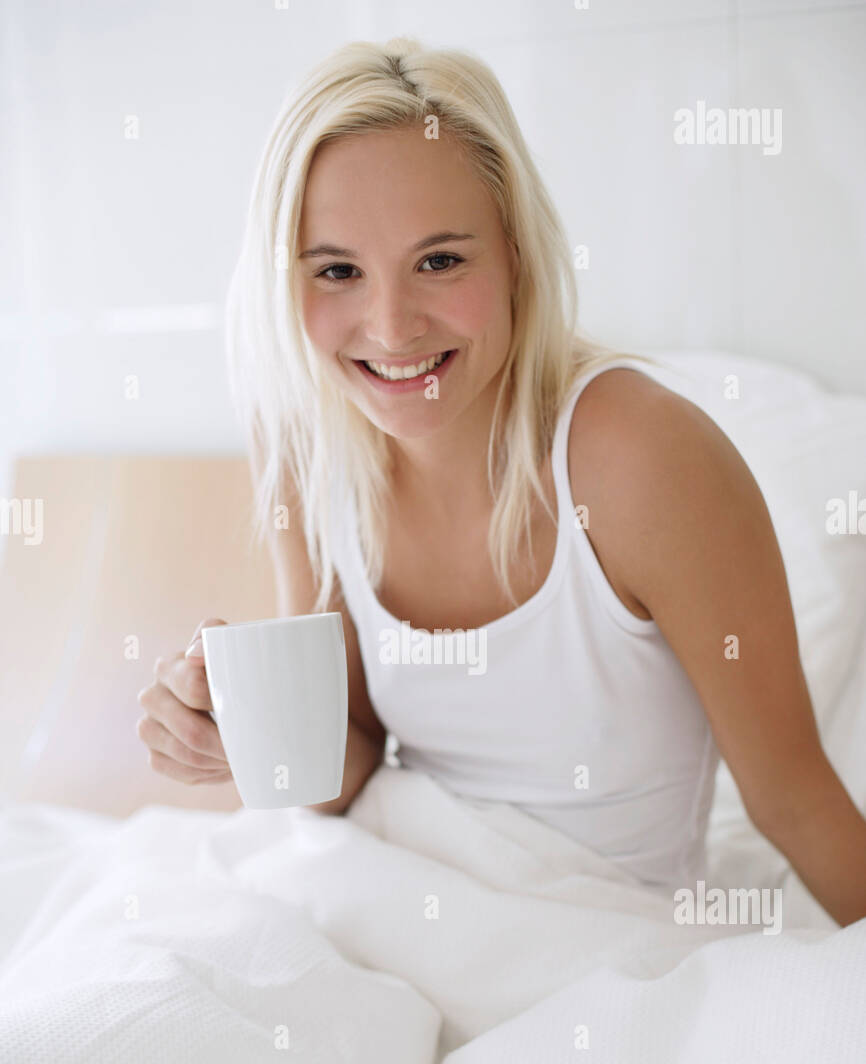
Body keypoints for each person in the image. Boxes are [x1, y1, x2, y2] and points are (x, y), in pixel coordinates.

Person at [137, 37, 866, 925]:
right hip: (391, 901)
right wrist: (242, 734)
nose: (393, 326)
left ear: (518, 254)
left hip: (601, 944)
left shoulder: (640, 456)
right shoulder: (303, 438)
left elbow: (793, 799)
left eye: (440, 260)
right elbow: (346, 761)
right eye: (337, 270)